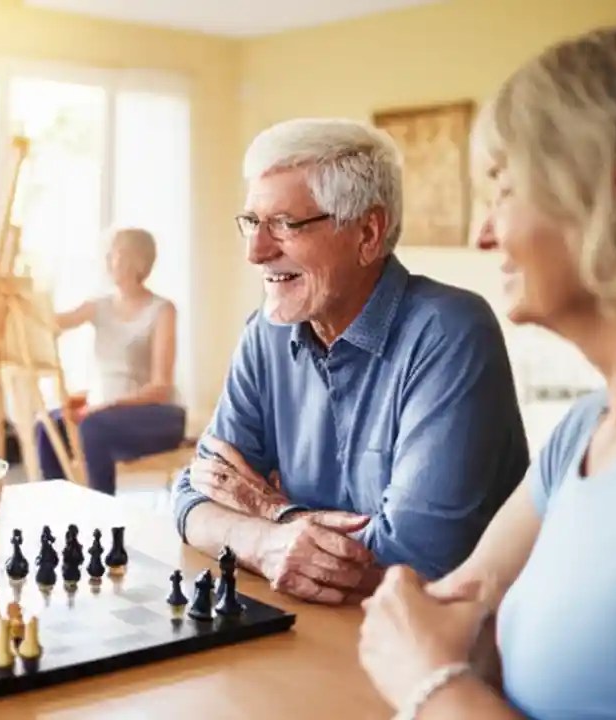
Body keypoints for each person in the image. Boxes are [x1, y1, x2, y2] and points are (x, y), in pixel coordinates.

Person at [359, 19, 616, 720]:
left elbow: (421, 653)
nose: (483, 234)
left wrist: (433, 688)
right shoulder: (587, 429)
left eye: (503, 189)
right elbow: (448, 606)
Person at [170, 118, 529, 603]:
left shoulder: (450, 330)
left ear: (367, 232)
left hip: (439, 646)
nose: (256, 251)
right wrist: (268, 541)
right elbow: (192, 495)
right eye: (253, 222)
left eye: (285, 223)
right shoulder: (266, 332)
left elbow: (414, 557)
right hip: (313, 632)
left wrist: (266, 509)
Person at [36, 227, 186, 494]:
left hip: (156, 415)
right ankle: (57, 506)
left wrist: (106, 406)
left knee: (94, 426)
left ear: (137, 261)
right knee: (47, 425)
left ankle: (102, 515)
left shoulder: (162, 310)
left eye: (114, 254)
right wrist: (28, 295)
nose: (107, 261)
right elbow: (52, 323)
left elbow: (160, 387)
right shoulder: (98, 306)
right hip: (104, 413)